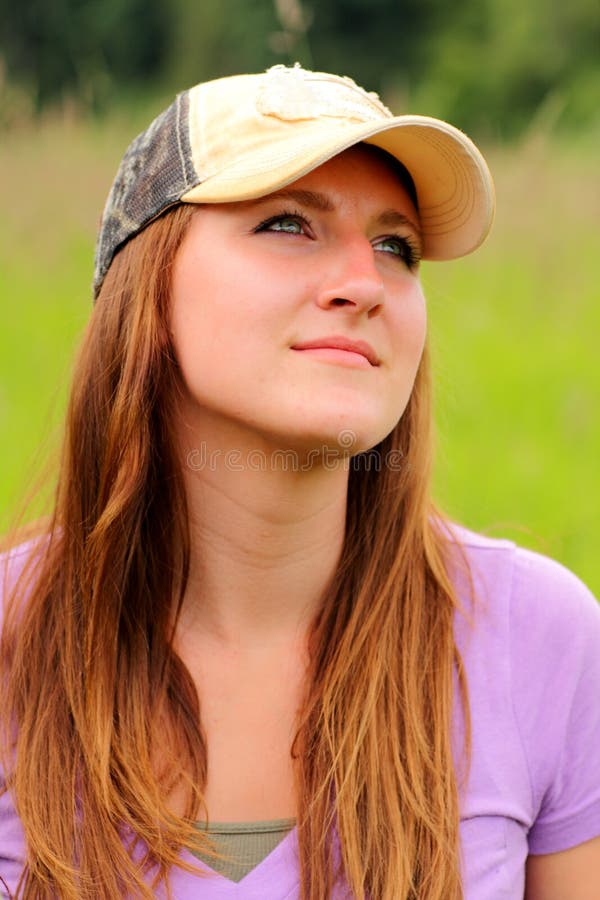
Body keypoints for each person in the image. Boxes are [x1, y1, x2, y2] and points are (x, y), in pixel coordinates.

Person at [1, 64, 599, 900]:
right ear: (147, 286)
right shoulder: (13, 640)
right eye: (288, 224)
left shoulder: (540, 639)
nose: (365, 285)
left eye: (395, 247)